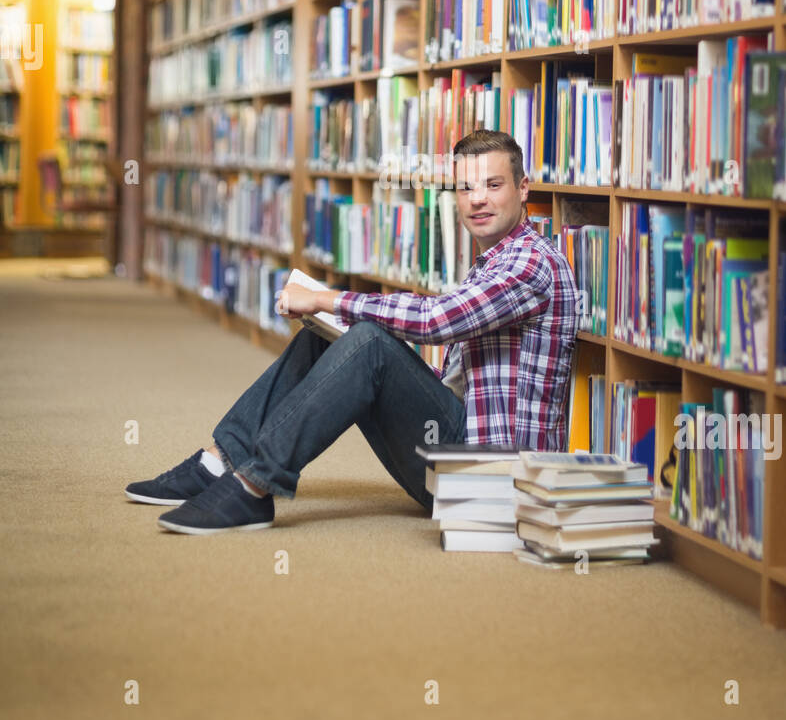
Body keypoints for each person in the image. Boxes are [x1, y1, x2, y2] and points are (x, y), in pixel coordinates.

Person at [125, 129, 580, 534]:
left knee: (369, 345)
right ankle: (219, 461)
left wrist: (325, 299)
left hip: (497, 482)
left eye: (493, 185)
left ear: (523, 190)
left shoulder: (530, 262)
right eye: (465, 187)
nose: (477, 199)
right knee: (328, 338)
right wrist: (332, 316)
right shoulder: (495, 260)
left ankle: (253, 484)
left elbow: (435, 321)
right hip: (458, 456)